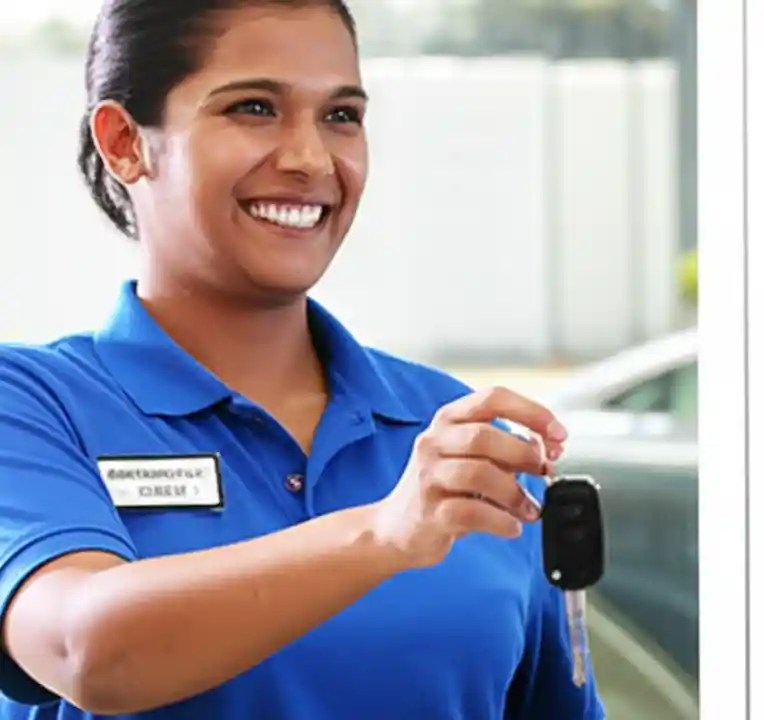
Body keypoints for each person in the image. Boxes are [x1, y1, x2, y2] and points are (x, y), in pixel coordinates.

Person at [0, 1, 607, 718]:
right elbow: (89, 652)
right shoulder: (36, 407)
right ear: (125, 141)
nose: (311, 159)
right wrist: (384, 530)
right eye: (254, 107)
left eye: (341, 116)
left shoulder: (452, 437)